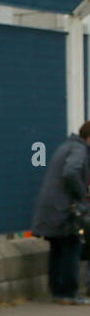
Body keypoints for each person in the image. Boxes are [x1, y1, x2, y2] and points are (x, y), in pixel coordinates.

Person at [32, 122, 90, 305]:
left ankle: (58, 291)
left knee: (57, 249)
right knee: (72, 247)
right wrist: (83, 193)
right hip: (66, 210)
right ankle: (69, 293)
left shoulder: (67, 145)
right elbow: (71, 172)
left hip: (52, 209)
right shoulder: (79, 149)